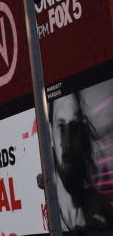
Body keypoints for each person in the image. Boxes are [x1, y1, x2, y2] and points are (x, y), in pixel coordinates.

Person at [50, 91, 113, 231]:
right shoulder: (43, 210)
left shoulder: (103, 216)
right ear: (50, 134)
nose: (67, 144)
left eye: (74, 127)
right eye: (61, 127)